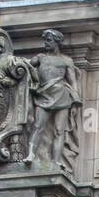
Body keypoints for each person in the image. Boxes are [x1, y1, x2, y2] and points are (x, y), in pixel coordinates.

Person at [24, 29, 81, 169]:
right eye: (45, 40)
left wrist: (75, 103)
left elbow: (73, 82)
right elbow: (26, 67)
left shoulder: (66, 61)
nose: (46, 43)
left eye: (49, 41)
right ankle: (30, 154)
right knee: (37, 126)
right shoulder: (40, 57)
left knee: (59, 130)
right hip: (43, 95)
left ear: (56, 42)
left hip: (62, 96)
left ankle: (56, 160)